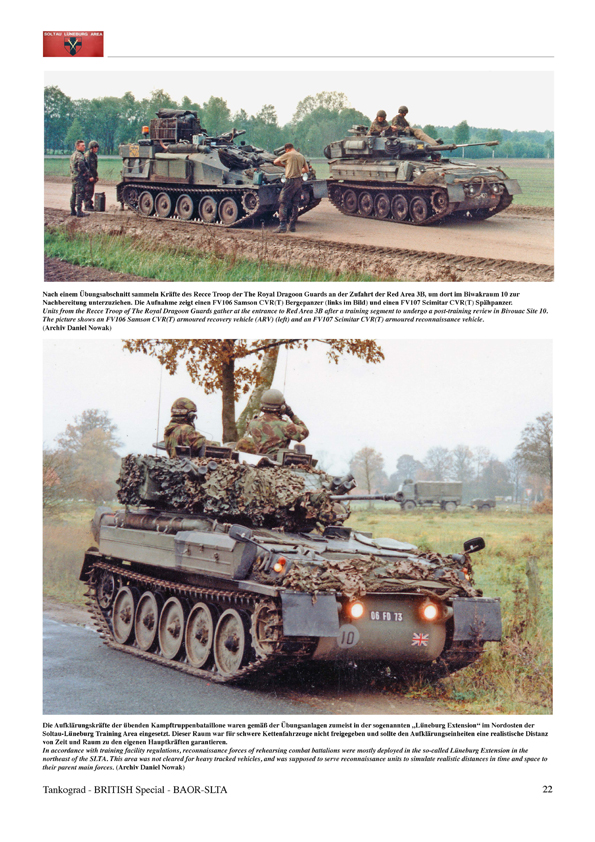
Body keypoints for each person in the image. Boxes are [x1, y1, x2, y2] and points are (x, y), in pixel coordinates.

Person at [247, 389, 309, 455]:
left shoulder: (252, 424)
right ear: (282, 407)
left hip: (259, 460)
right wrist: (292, 415)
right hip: (278, 462)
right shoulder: (285, 426)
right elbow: (304, 432)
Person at [273, 143, 309, 233]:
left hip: (290, 182)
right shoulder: (301, 156)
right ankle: (292, 226)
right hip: (298, 182)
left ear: (287, 149)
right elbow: (306, 170)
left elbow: (275, 162)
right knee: (295, 204)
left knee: (283, 203)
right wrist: (297, 170)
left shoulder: (288, 154)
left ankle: (282, 226)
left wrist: (285, 166)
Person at [69, 140, 92, 217]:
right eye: (82, 145)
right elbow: (82, 165)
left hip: (74, 177)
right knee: (80, 194)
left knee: (74, 193)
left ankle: (72, 210)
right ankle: (79, 211)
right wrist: (86, 172)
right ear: (77, 146)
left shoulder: (73, 155)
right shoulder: (80, 155)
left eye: (84, 145)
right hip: (79, 177)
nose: (84, 147)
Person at [84, 141, 100, 211]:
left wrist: (96, 175)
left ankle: (90, 204)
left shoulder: (94, 155)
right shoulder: (88, 156)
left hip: (92, 176)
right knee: (88, 190)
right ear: (92, 148)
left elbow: (94, 167)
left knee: (91, 191)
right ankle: (87, 206)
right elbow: (87, 168)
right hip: (88, 176)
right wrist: (90, 176)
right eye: (96, 147)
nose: (97, 149)